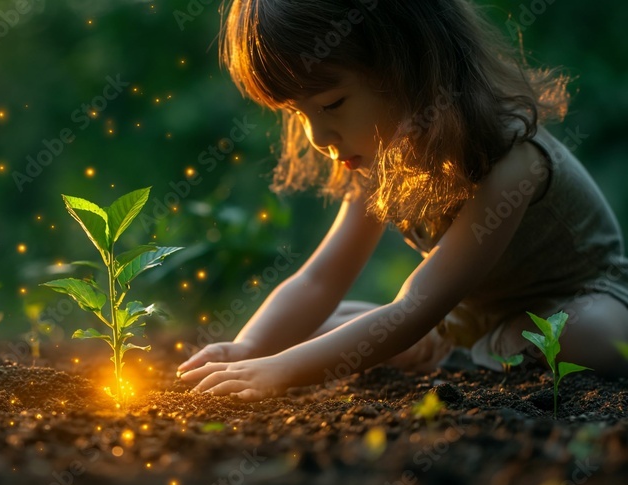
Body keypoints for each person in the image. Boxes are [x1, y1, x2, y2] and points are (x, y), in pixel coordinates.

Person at [176, 0, 628, 400]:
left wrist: (281, 371)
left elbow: (417, 305)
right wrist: (251, 348)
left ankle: (456, 349)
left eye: (332, 104)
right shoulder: (376, 151)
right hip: (464, 317)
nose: (317, 137)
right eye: (298, 112)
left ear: (407, 67)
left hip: (574, 304)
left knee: (592, 335)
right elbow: (319, 279)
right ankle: (463, 347)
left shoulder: (511, 159)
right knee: (318, 325)